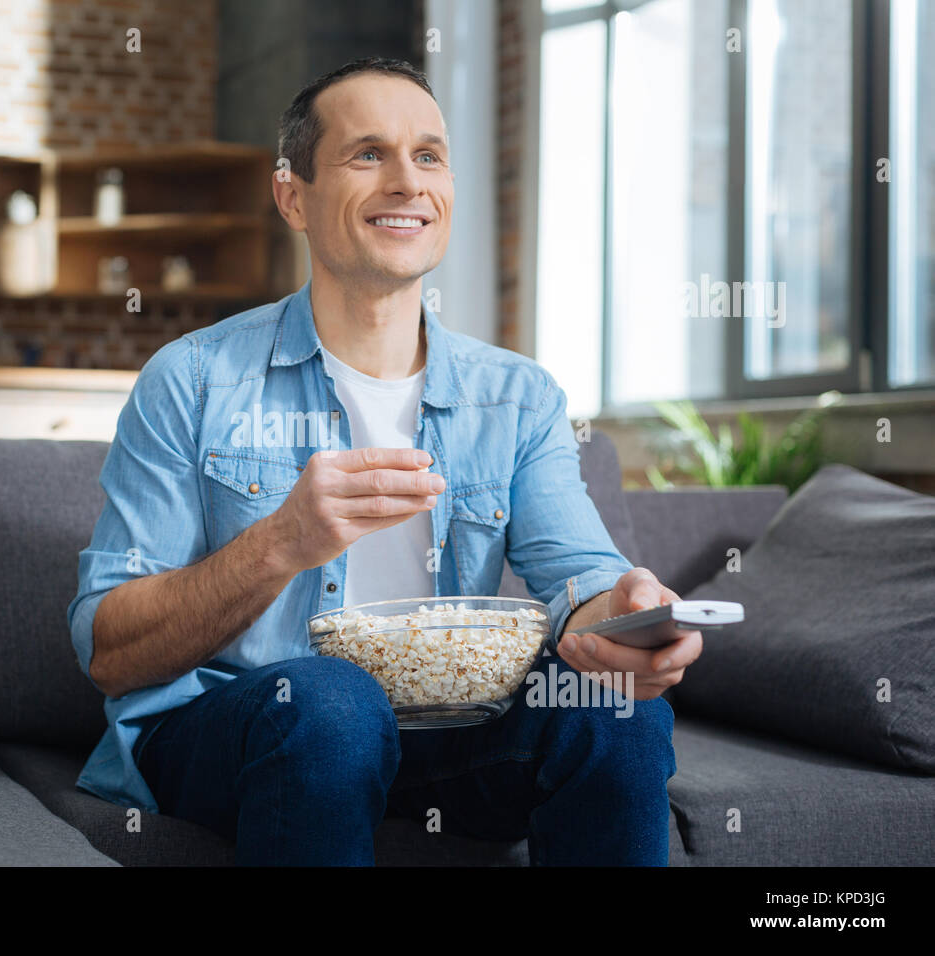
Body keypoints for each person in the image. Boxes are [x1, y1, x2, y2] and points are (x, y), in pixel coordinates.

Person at [67, 56, 703, 866]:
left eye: (428, 156)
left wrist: (626, 618)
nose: (408, 181)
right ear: (292, 195)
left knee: (613, 702)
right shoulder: (191, 380)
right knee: (331, 701)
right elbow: (110, 652)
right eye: (368, 154)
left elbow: (580, 580)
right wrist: (281, 543)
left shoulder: (517, 395)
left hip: (455, 737)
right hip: (242, 729)